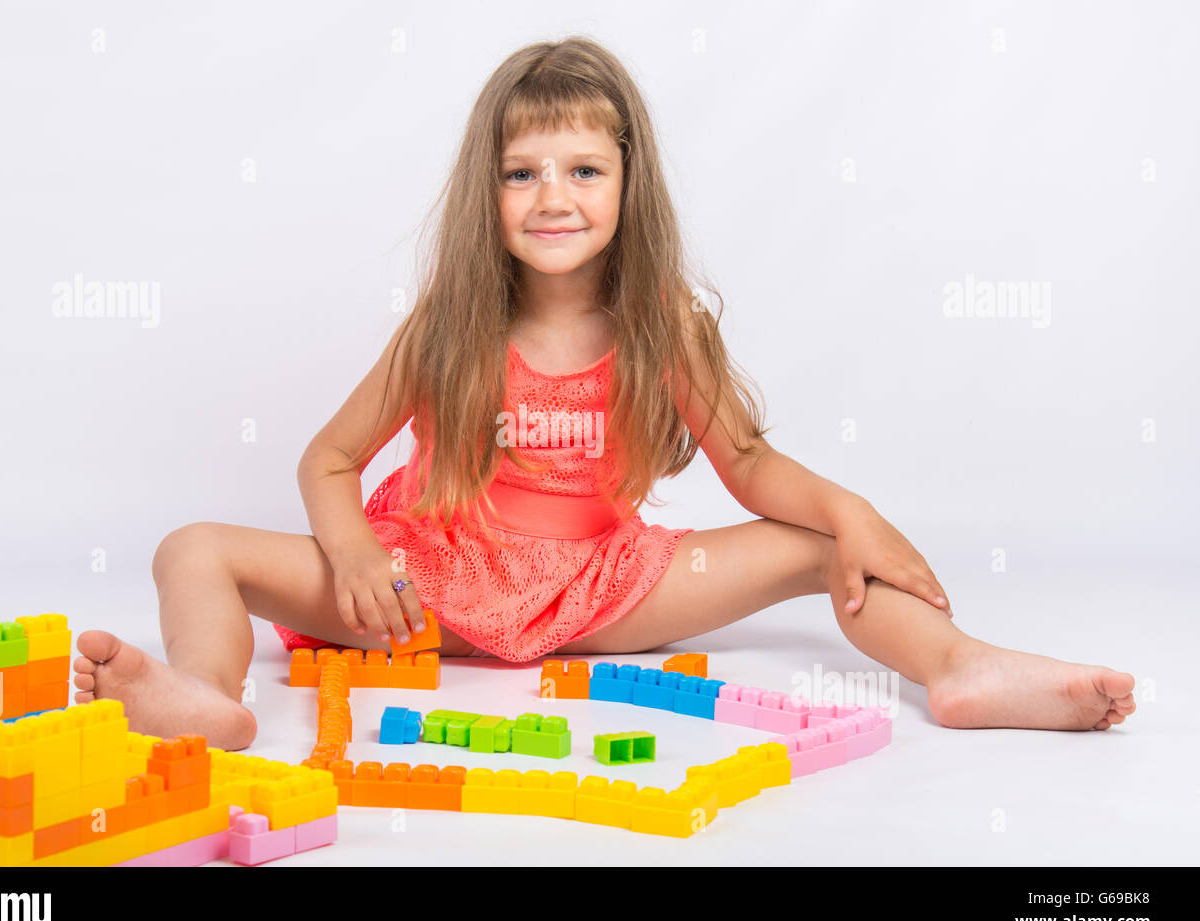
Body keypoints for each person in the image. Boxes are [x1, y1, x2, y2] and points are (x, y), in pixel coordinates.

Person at [73, 36, 1134, 750]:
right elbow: (328, 457)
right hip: (422, 588)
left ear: (629, 184)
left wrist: (851, 510)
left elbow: (751, 467)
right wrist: (352, 553)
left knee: (823, 551)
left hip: (602, 587)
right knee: (193, 547)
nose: (552, 197)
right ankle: (206, 699)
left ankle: (960, 671)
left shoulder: (663, 322)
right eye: (522, 172)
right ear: (486, 190)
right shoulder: (448, 321)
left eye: (582, 170)